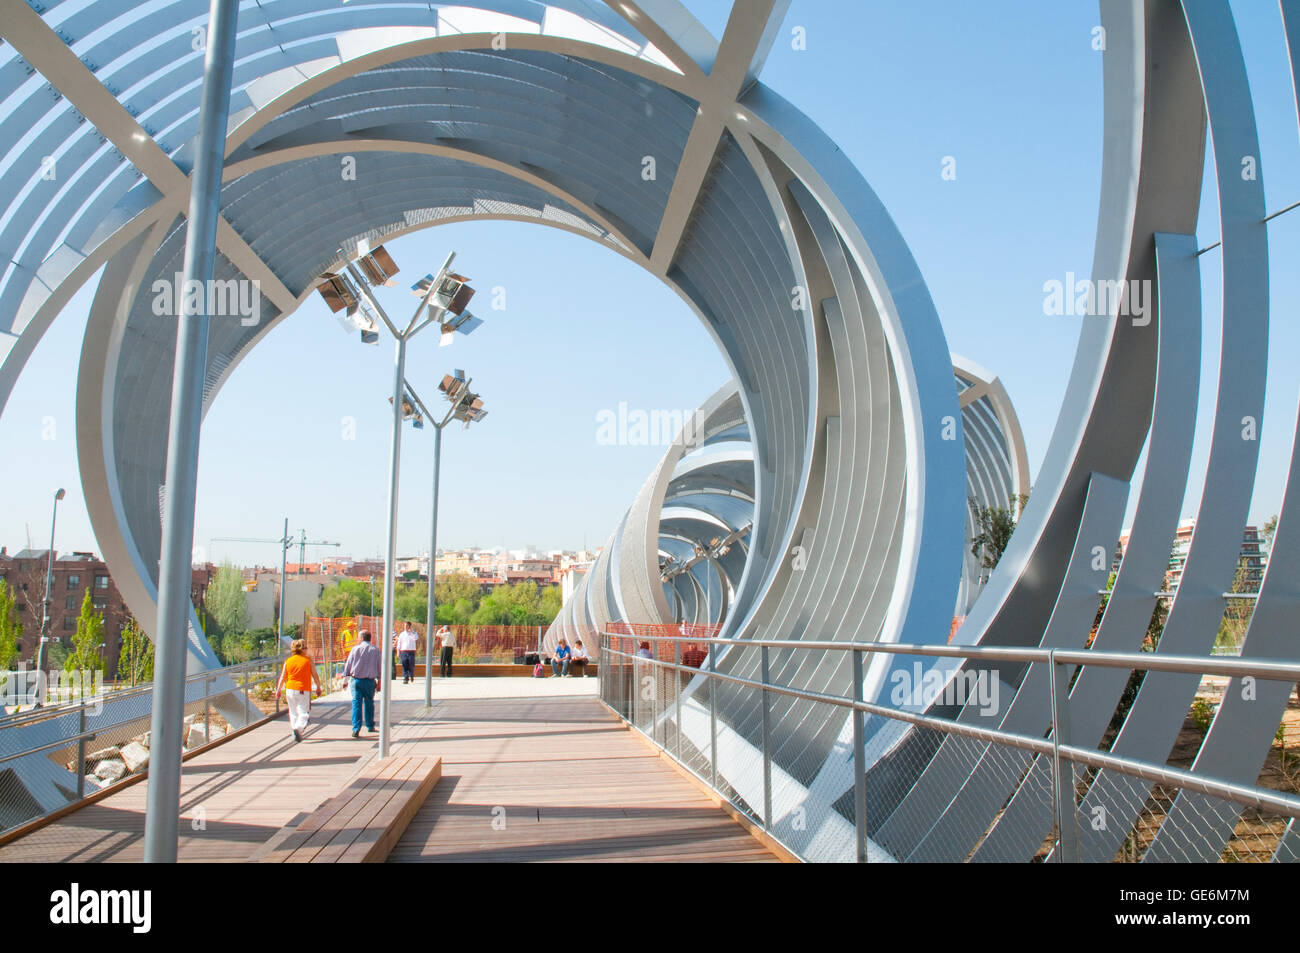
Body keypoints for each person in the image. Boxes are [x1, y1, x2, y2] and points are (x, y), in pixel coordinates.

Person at [274, 638, 322, 743]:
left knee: (293, 712)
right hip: (302, 689)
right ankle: (298, 729)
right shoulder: (307, 660)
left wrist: (278, 689)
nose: (307, 649)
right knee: (303, 712)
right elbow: (315, 675)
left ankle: (294, 730)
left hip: (290, 689)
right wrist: (318, 687)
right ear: (302, 649)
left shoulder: (288, 661)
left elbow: (282, 677)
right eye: (306, 648)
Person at [343, 629, 382, 738]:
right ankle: (370, 725)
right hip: (370, 681)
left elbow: (348, 666)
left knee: (356, 704)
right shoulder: (376, 650)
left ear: (361, 638)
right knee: (369, 703)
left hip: (356, 681)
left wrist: (345, 681)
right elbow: (380, 667)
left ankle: (356, 728)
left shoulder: (355, 650)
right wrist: (380, 682)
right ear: (370, 638)